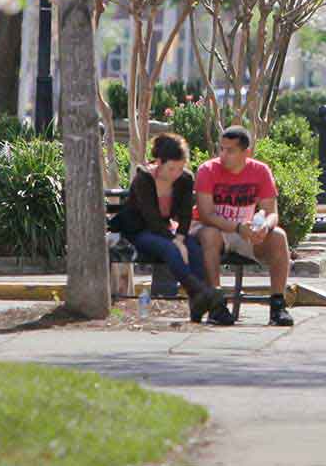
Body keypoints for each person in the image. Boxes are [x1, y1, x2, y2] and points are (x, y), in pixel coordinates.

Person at [123, 133, 232, 325]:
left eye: (180, 168)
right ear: (159, 162)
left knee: (194, 248)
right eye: (171, 168)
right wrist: (176, 242)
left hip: (168, 230)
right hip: (140, 230)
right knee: (170, 248)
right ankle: (201, 293)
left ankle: (201, 304)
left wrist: (181, 237)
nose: (176, 173)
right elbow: (151, 219)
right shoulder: (144, 179)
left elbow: (185, 214)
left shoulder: (185, 179)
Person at [193, 126, 295, 327]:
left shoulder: (260, 171)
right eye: (221, 149)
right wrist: (238, 227)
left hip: (244, 232)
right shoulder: (207, 170)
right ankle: (216, 304)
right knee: (210, 234)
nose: (223, 155)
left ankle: (278, 306)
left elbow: (272, 212)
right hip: (213, 229)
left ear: (246, 153)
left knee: (278, 236)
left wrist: (264, 227)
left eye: (230, 150)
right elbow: (206, 215)